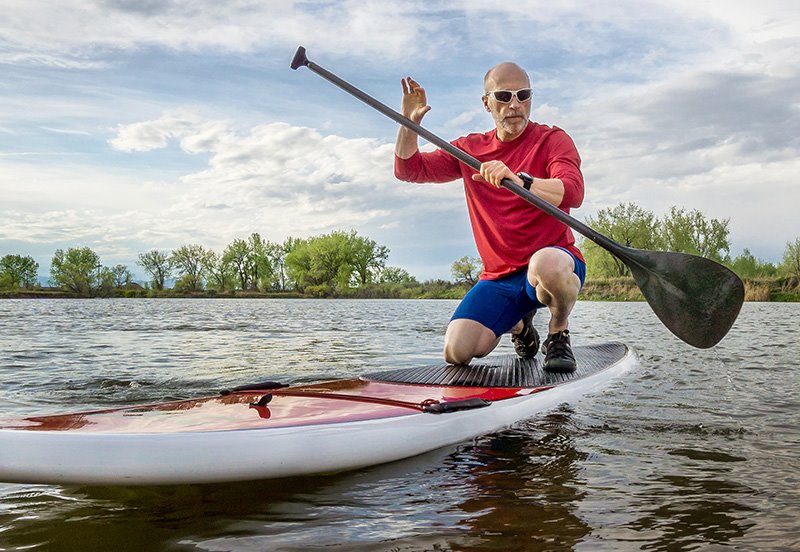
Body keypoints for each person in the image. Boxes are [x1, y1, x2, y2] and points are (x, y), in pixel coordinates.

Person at [394, 62, 586, 372]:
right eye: (504, 95)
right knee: (456, 352)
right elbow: (408, 169)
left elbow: (573, 191)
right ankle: (522, 327)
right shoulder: (469, 150)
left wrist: (520, 179)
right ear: (487, 103)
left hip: (555, 264)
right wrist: (408, 124)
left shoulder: (552, 140)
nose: (515, 104)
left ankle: (558, 331)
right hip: (499, 277)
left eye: (523, 95)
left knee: (545, 264)